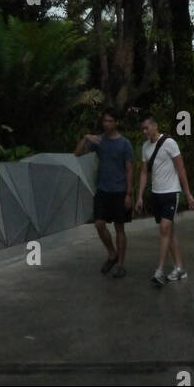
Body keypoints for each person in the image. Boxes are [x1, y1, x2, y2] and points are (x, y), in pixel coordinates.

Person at [135, 115, 194, 287]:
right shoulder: (145, 147)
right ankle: (179, 268)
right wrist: (139, 196)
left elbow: (181, 168)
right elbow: (144, 173)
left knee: (164, 229)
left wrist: (188, 194)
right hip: (156, 194)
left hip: (171, 192)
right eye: (143, 129)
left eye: (147, 128)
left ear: (155, 126)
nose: (145, 132)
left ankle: (160, 271)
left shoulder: (170, 143)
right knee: (169, 232)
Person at [74, 110, 134, 278]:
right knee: (99, 224)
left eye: (109, 121)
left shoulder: (124, 144)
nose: (106, 124)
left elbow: (129, 169)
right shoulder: (98, 140)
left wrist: (129, 193)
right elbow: (77, 154)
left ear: (116, 123)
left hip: (120, 191)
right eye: (104, 121)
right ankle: (111, 253)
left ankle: (120, 264)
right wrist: (86, 137)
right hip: (103, 190)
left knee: (119, 228)